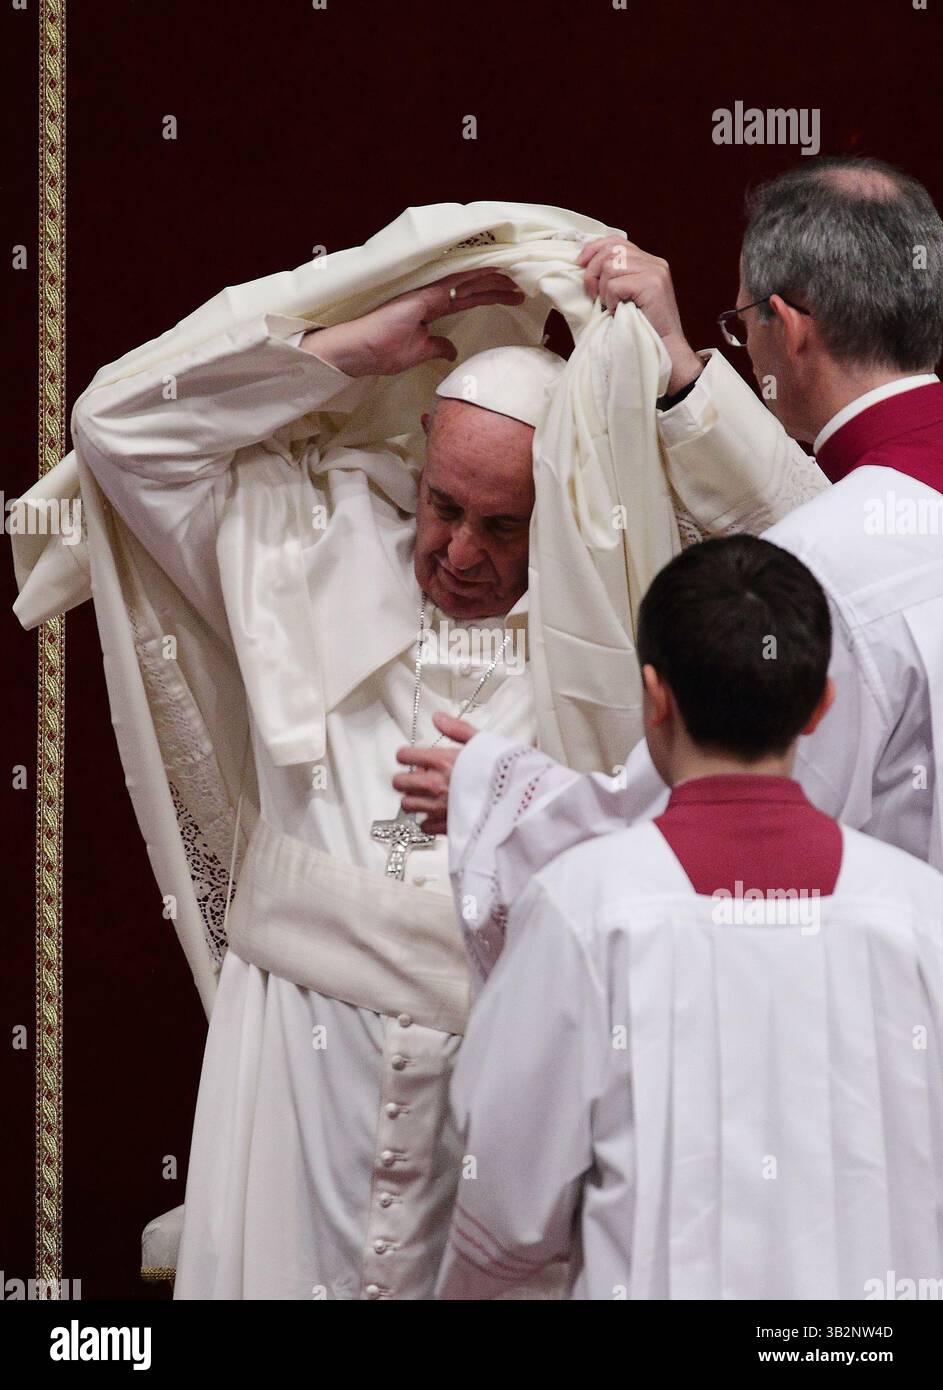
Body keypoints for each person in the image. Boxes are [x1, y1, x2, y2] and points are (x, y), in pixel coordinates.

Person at [26, 202, 825, 1301]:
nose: (456, 552)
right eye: (442, 507)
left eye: (502, 527)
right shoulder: (293, 552)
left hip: (491, 1123)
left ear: (558, 518)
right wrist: (337, 352)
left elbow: (814, 570)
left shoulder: (625, 627)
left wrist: (681, 372)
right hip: (292, 1096)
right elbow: (116, 428)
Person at [407, 159, 943, 964]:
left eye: (739, 323)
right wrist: (677, 365)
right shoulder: (855, 531)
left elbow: (727, 824)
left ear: (787, 328)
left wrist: (496, 794)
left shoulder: (816, 565)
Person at [432, 536, 943, 1301]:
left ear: (653, 695)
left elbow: (506, 1193)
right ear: (818, 707)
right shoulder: (921, 913)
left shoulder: (585, 907)